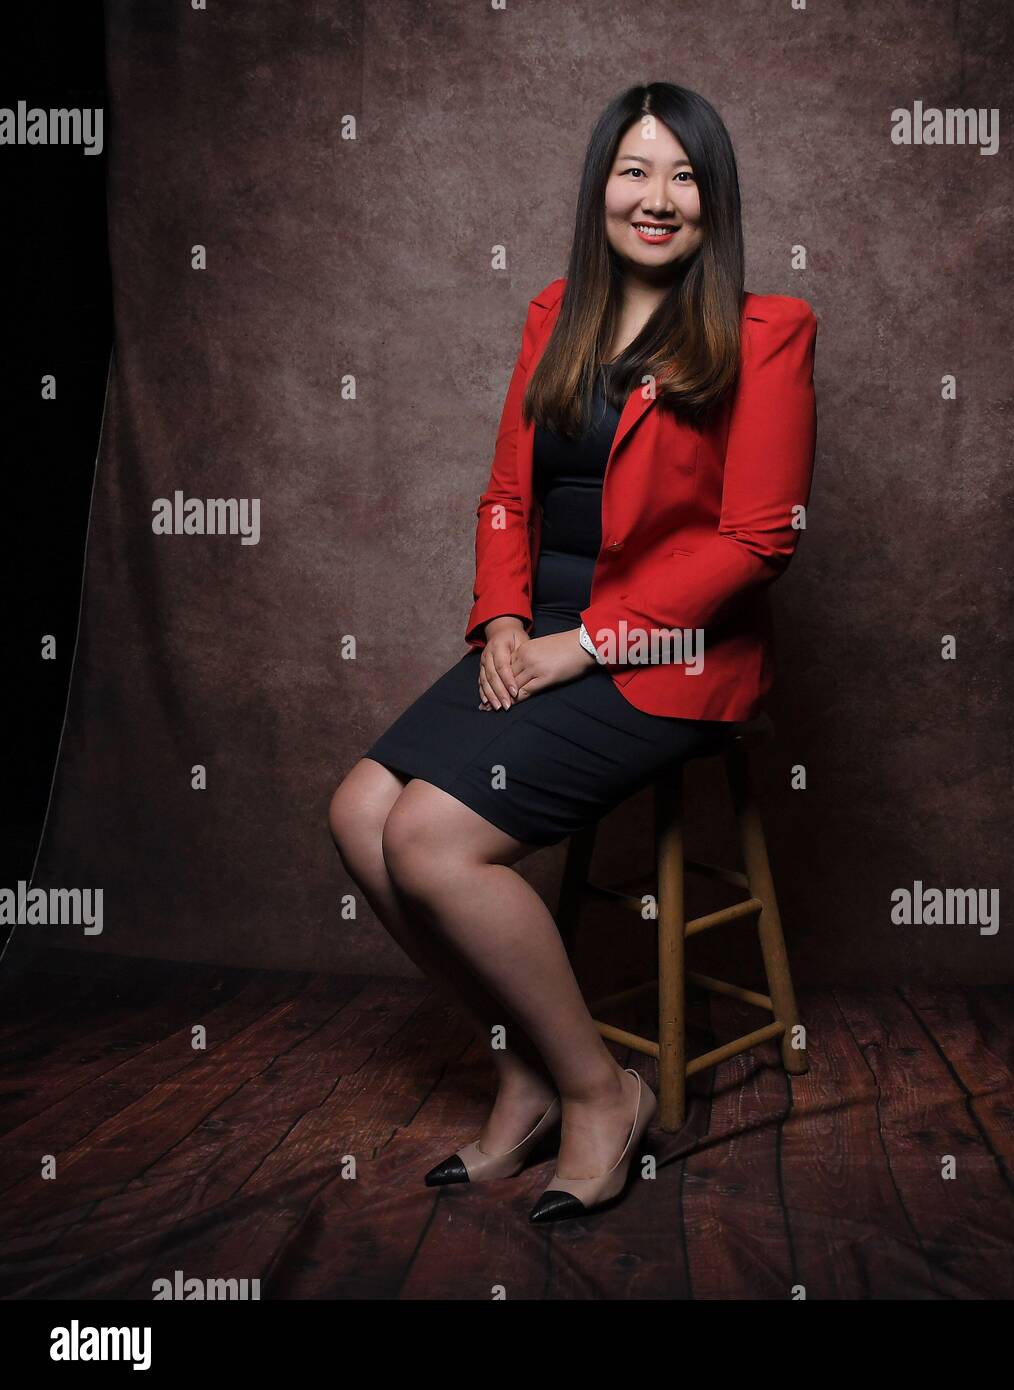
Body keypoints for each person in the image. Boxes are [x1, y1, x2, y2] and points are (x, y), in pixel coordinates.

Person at [329, 81, 817, 1223]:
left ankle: (602, 1092)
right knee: (357, 813)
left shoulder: (767, 332)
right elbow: (509, 495)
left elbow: (756, 544)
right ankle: (523, 1066)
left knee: (430, 843)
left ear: (715, 200)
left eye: (685, 175)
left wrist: (586, 646)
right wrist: (504, 622)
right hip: (535, 642)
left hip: (667, 665)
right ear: (601, 186)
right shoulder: (556, 313)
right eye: (635, 171)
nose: (658, 198)